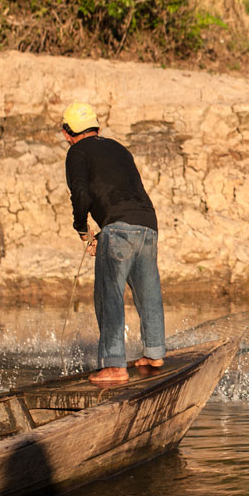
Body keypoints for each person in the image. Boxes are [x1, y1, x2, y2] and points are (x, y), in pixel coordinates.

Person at [60, 101, 166, 384]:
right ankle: (155, 352)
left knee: (109, 295)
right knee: (148, 290)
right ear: (97, 127)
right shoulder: (119, 148)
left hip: (117, 228)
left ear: (67, 132)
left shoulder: (77, 152)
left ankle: (114, 366)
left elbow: (80, 194)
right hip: (147, 224)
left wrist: (83, 229)